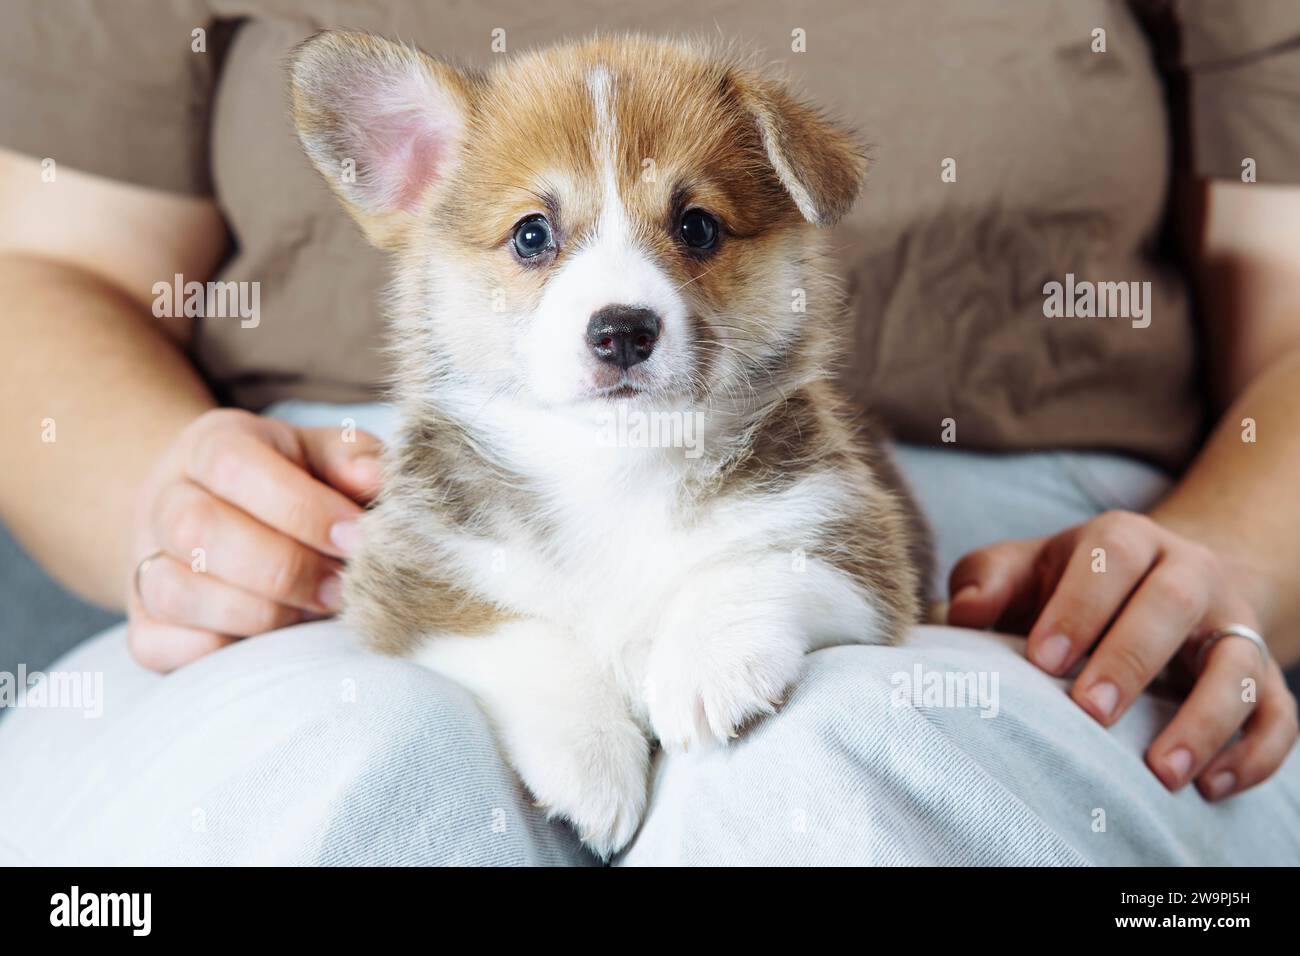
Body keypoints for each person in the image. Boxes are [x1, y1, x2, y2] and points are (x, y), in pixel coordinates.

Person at [0, 0, 1297, 865]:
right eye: (531, 238)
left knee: (847, 777)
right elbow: (43, 271)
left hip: (1028, 579)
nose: (618, 304)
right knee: (359, 772)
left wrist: (1236, 553)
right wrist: (172, 508)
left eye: (693, 231)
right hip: (332, 545)